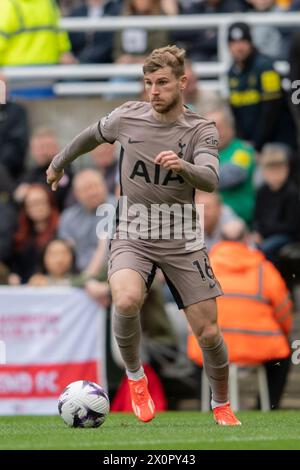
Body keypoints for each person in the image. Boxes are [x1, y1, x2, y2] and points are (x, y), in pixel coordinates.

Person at [46, 45, 241, 426]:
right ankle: (137, 379)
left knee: (208, 331)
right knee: (127, 300)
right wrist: (58, 163)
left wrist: (183, 166)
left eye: (162, 83)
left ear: (182, 82)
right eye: (148, 82)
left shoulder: (201, 128)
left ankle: (221, 403)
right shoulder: (127, 117)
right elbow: (90, 135)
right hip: (132, 231)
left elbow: (212, 179)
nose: (153, 90)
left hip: (182, 236)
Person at [188, 219, 293, 410]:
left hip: (214, 345)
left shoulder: (204, 268)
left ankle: (211, 403)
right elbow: (284, 313)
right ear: (247, 239)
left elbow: (192, 309)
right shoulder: (264, 269)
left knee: (197, 351)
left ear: (220, 239)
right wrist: (284, 334)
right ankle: (267, 405)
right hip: (259, 346)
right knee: (283, 355)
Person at [227, 21, 297, 152]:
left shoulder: (267, 68)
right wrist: (244, 142)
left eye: (243, 41)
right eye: (234, 43)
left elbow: (272, 110)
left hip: (277, 141)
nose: (239, 47)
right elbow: (236, 112)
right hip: (250, 145)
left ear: (251, 43)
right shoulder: (231, 72)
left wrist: (256, 144)